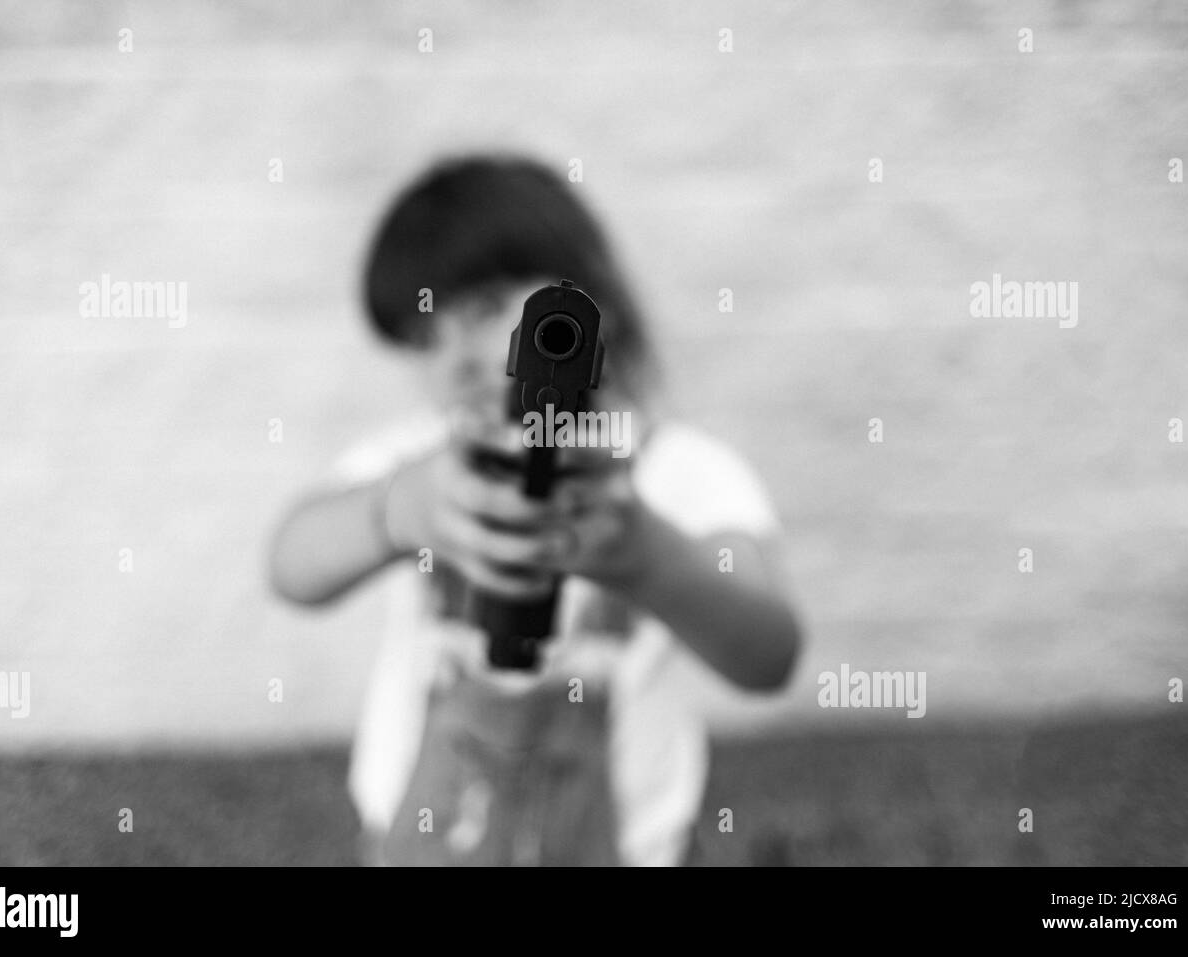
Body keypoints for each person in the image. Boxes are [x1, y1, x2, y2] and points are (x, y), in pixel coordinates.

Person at [268, 154, 802, 865]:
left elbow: (769, 652)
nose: (455, 360)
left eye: (486, 310)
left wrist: (649, 559)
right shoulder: (421, 461)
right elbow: (292, 563)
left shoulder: (684, 471)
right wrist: (400, 511)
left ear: (590, 302)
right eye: (426, 337)